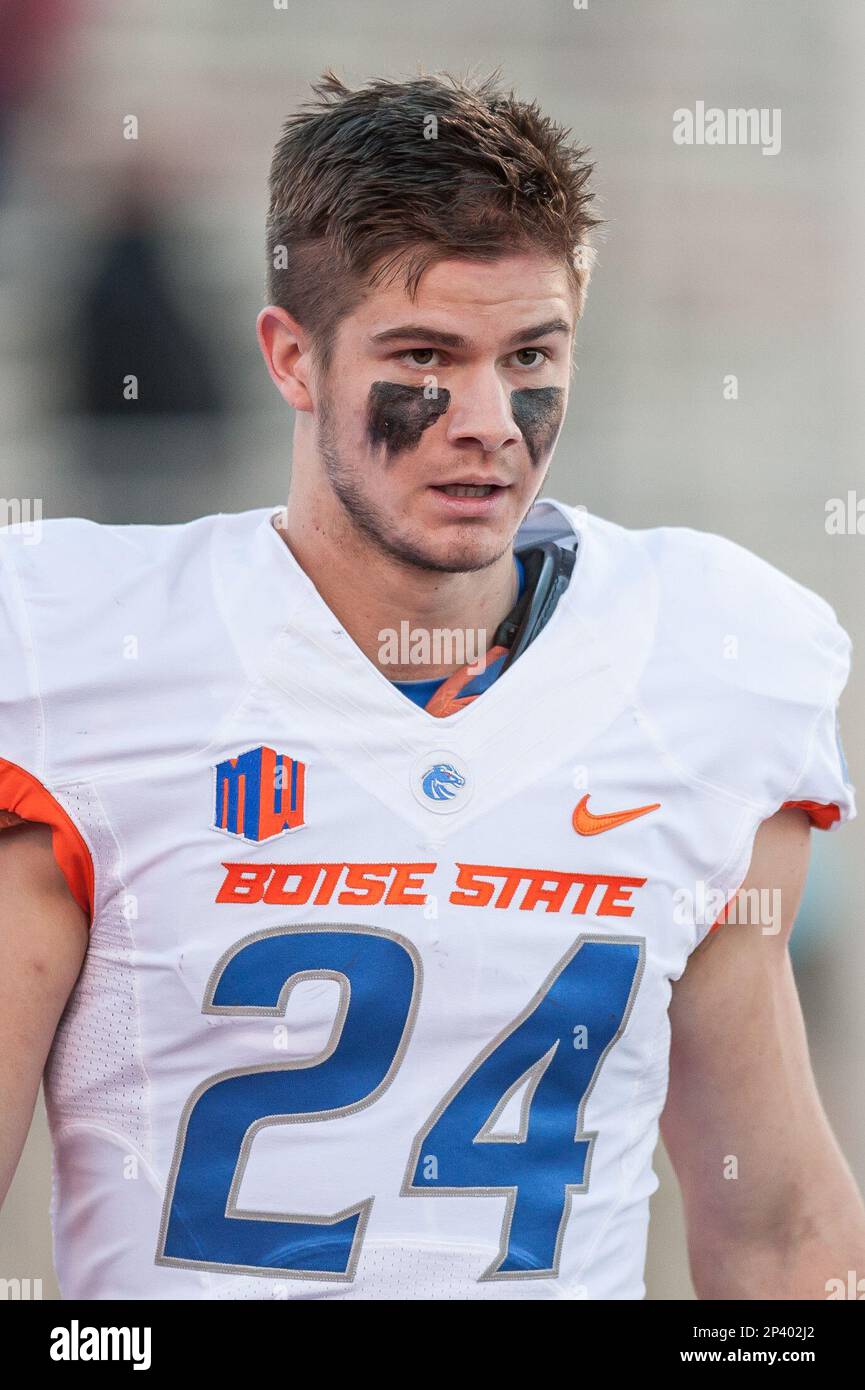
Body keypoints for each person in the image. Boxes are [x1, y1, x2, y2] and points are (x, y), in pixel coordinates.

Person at [1, 70, 863, 1301]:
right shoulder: (86, 659)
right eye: (425, 357)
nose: (489, 421)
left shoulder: (705, 667)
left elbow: (776, 1234)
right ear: (292, 358)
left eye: (530, 355)